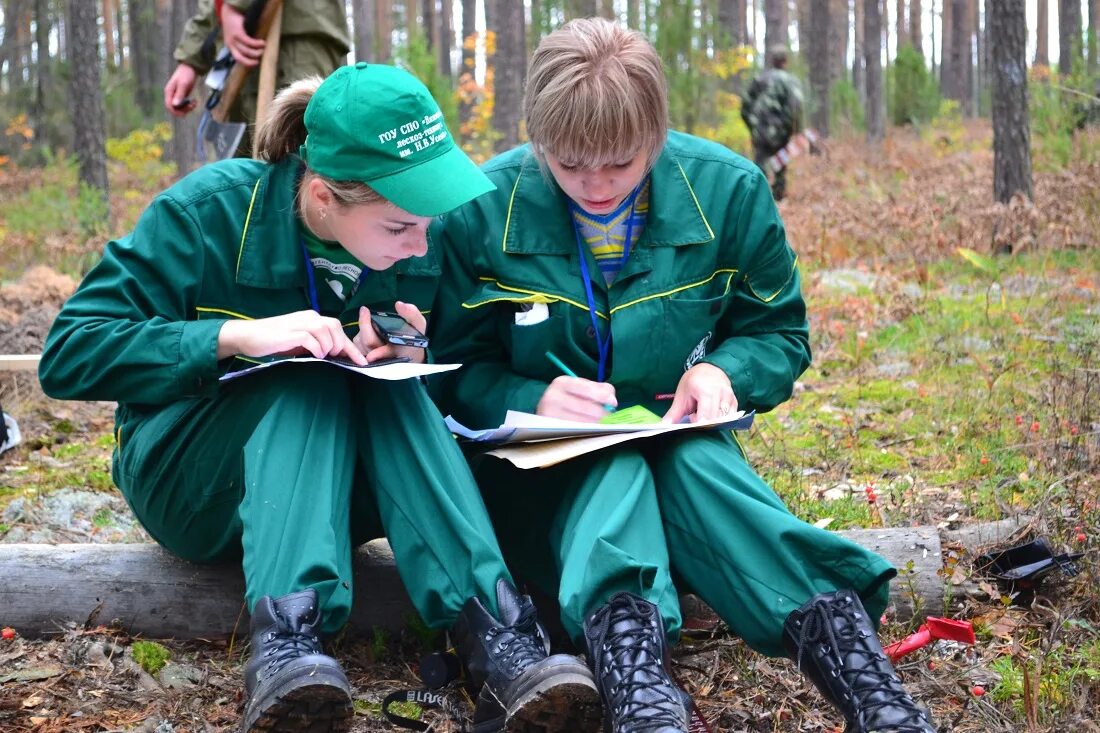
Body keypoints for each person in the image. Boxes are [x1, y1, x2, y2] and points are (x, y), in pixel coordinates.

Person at [40, 64, 604, 733]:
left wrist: (417, 357)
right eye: (399, 228)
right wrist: (236, 336)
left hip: (347, 488)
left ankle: (499, 639)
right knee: (308, 370)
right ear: (323, 197)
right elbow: (70, 352)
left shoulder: (422, 235)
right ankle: (286, 646)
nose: (422, 245)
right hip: (194, 479)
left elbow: (459, 377)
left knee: (384, 386)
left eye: (427, 223)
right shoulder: (209, 213)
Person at [429, 19, 937, 733]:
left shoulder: (728, 193)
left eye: (622, 162)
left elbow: (778, 332)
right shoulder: (477, 210)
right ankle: (641, 693)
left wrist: (724, 371)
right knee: (616, 468)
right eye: (571, 165)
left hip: (681, 454)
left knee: (690, 462)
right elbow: (444, 369)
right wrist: (527, 393)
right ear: (537, 137)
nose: (597, 185)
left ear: (657, 134)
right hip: (535, 483)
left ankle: (872, 694)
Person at [164, 0, 350, 155]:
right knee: (240, 179)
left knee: (296, 170)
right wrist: (191, 58)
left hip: (293, 36)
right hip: (237, 48)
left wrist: (234, 5)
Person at [740, 46, 803, 201]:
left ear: (772, 60)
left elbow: (745, 106)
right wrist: (795, 130)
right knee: (780, 165)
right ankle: (778, 198)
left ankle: (758, 199)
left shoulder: (760, 79)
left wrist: (752, 126)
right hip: (782, 131)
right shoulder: (791, 81)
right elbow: (796, 107)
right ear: (785, 61)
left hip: (760, 130)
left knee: (759, 165)